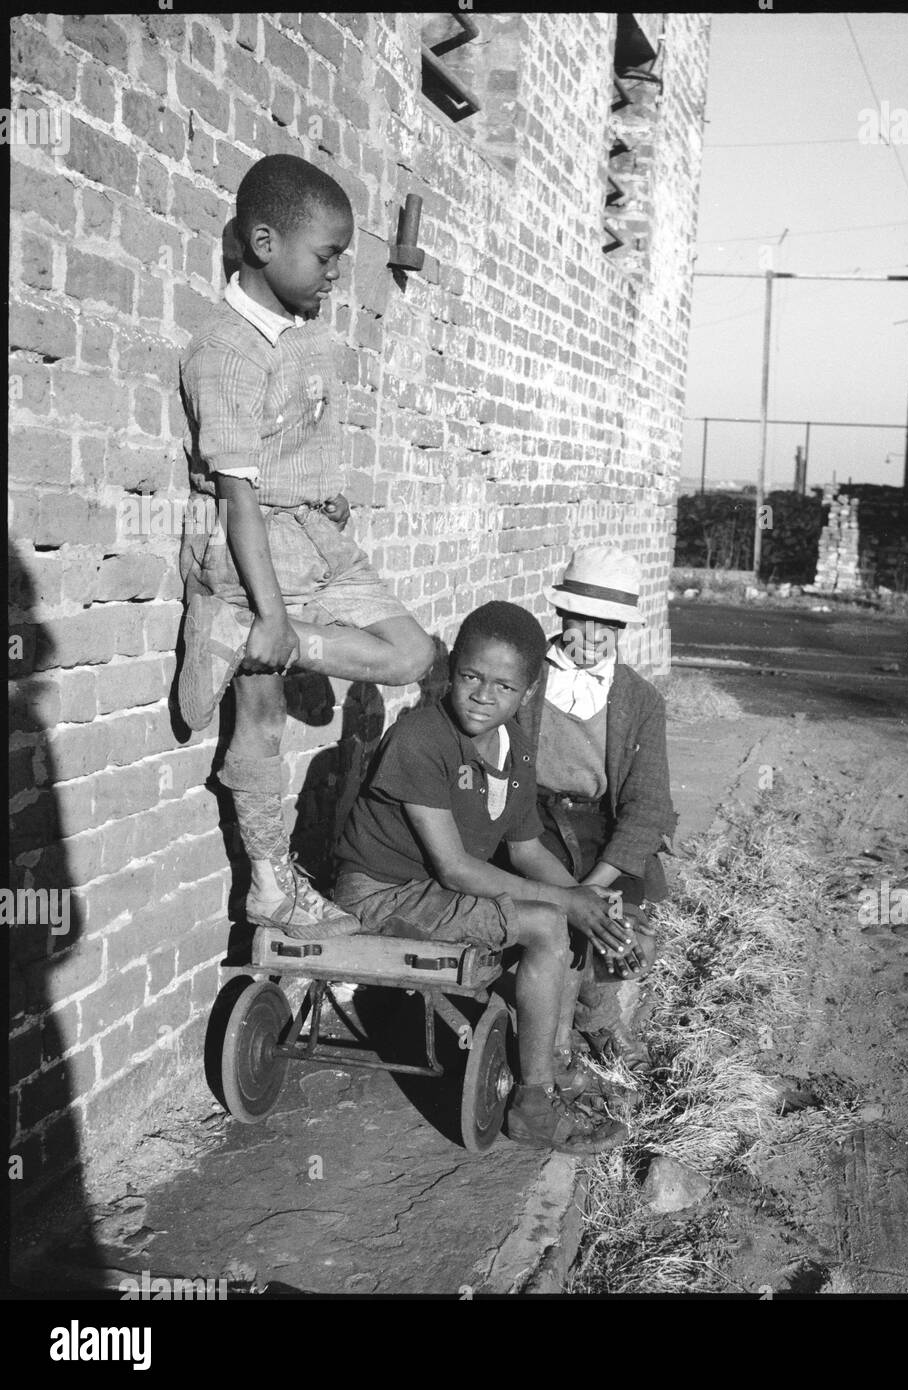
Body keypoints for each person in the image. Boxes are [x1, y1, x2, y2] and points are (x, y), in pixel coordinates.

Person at [177, 154, 435, 940]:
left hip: (316, 539)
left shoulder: (307, 335)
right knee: (257, 720)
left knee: (412, 655)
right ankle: (271, 886)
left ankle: (240, 638)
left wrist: (326, 491)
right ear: (262, 243)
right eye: (325, 259)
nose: (333, 278)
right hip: (251, 546)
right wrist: (275, 614)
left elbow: (296, 447)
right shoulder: (224, 351)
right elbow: (237, 496)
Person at [333, 602, 633, 1154]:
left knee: (571, 912)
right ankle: (534, 1106)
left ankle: (554, 1060)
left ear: (526, 693)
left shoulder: (515, 745)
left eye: (503, 686)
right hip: (380, 893)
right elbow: (454, 866)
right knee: (547, 925)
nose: (482, 695)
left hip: (436, 891)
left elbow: (524, 851)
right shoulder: (421, 737)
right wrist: (563, 904)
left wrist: (583, 894)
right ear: (451, 671)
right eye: (471, 677)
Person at [517, 546, 677, 1076]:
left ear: (622, 630)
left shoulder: (640, 700)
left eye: (606, 627)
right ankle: (543, 1033)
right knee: (546, 913)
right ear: (560, 616)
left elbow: (647, 806)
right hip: (525, 824)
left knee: (612, 922)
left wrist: (600, 881)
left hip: (597, 830)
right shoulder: (525, 677)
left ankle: (600, 1016)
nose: (590, 637)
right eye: (580, 621)